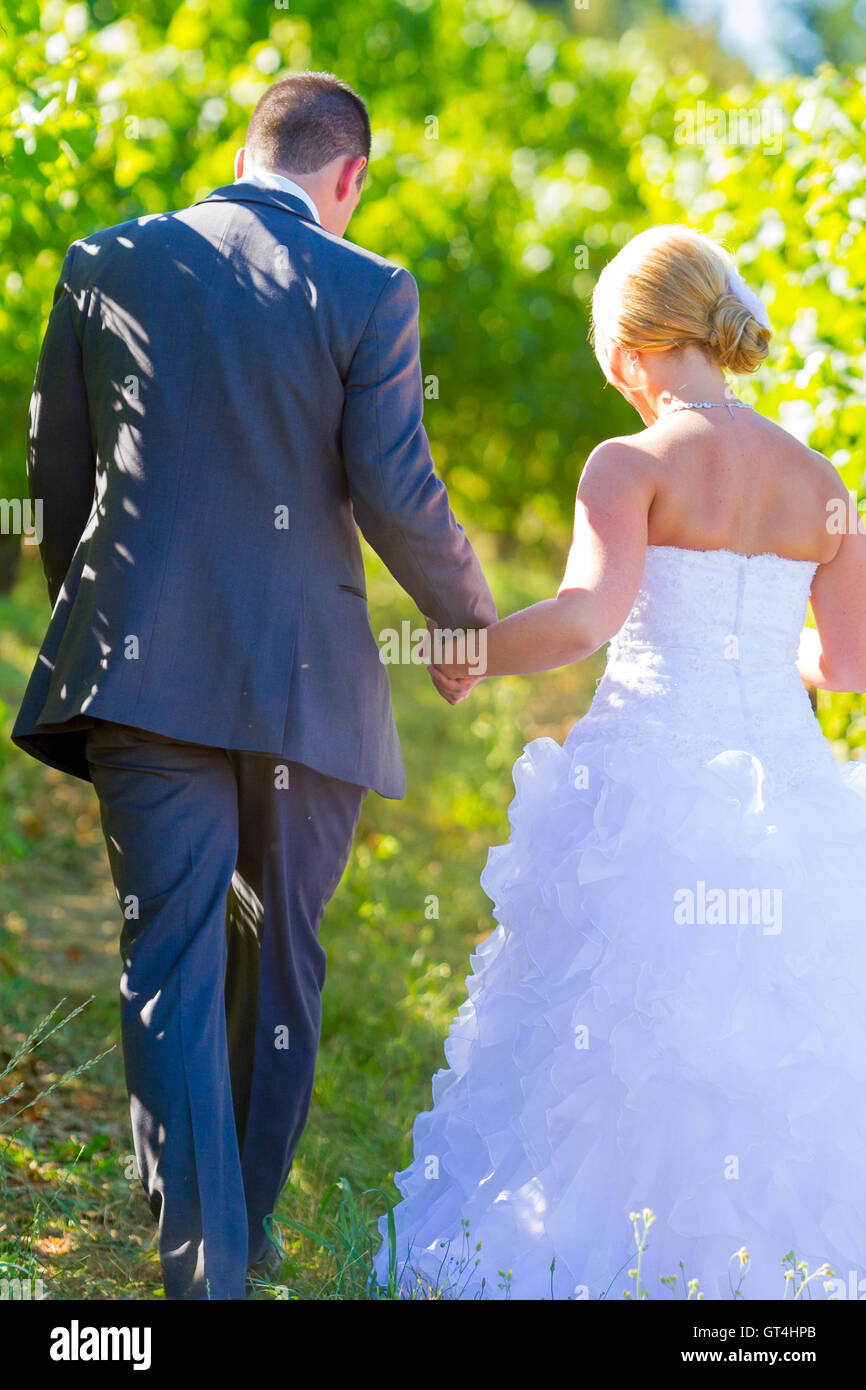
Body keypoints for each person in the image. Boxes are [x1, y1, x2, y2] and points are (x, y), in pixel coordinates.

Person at [12, 71, 495, 1300]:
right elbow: (395, 486)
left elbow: (59, 484)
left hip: (138, 670)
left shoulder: (105, 260)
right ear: (351, 177)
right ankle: (240, 1228)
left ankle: (206, 1257)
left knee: (167, 957)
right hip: (308, 690)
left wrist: (114, 620)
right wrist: (464, 616)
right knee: (277, 957)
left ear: (244, 150)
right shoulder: (368, 287)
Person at [372, 225, 866, 1300]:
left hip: (650, 778)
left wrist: (470, 648)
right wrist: (756, 645)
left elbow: (587, 618)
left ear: (635, 348)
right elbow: (847, 662)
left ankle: (597, 1260)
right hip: (786, 786)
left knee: (616, 1025)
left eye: (608, 357)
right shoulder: (819, 479)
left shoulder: (628, 463)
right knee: (779, 1026)